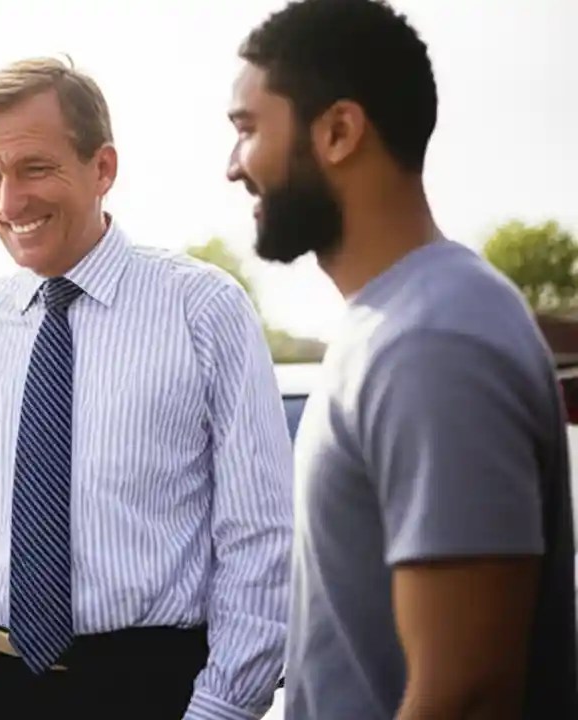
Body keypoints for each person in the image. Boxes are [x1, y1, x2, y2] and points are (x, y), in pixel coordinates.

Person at [0, 56, 294, 719]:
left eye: (35, 169)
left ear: (103, 169)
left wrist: (221, 710)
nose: (9, 203)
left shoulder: (203, 311)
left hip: (147, 692)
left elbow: (259, 541)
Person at [225, 1, 578, 717]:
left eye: (248, 129)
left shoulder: (436, 339)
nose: (234, 166)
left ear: (339, 131)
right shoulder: (393, 325)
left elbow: (467, 694)